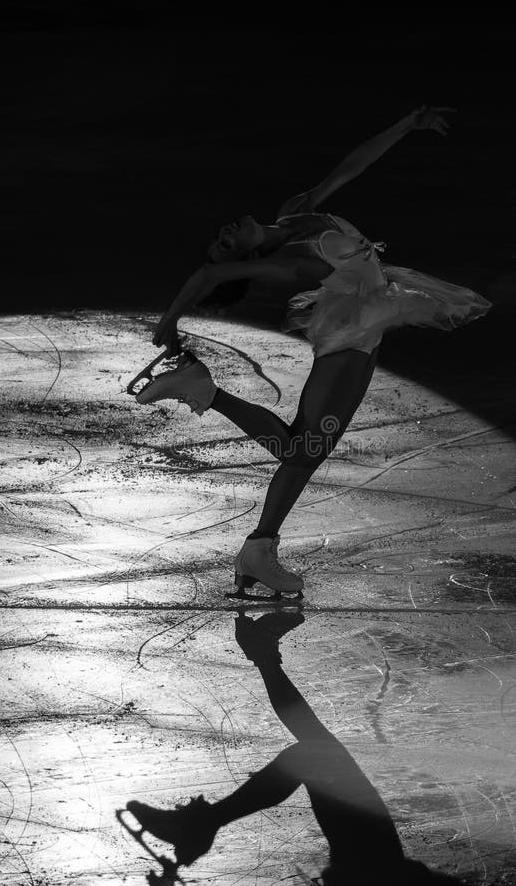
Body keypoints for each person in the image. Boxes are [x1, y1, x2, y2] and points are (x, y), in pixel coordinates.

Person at [131, 106, 491, 598]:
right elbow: (211, 276)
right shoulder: (296, 263)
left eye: (220, 236)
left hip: (364, 330)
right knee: (302, 452)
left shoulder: (296, 213)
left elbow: (350, 167)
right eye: (223, 243)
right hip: (348, 337)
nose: (224, 232)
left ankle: (258, 544)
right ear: (245, 256)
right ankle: (209, 403)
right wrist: (169, 321)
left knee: (303, 448)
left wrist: (408, 124)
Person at [121, 610, 463, 884]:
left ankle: (201, 825)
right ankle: (264, 656)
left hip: (380, 874)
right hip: (380, 872)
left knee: (316, 755)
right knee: (317, 753)